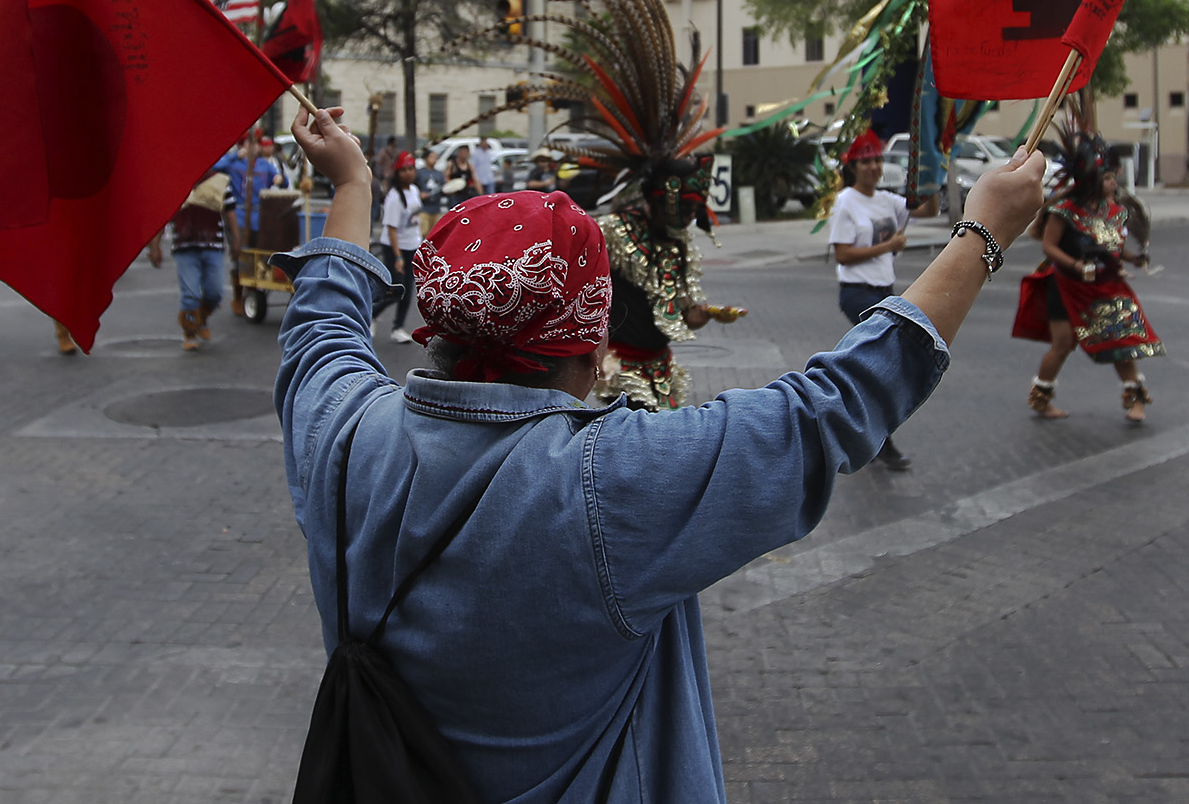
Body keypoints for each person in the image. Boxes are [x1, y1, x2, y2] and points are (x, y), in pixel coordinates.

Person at [276, 103, 1044, 803]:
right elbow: (829, 409)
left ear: (435, 325)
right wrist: (982, 236)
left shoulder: (341, 437)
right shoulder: (609, 484)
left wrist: (350, 181)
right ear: (589, 346)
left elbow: (322, 327)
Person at [1015, 133, 1161, 423]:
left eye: (1112, 176)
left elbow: (1112, 250)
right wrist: (1077, 266)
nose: (1112, 182)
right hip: (1066, 284)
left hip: (1107, 286)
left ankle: (1136, 400)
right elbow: (1049, 247)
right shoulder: (1064, 210)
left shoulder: (1115, 211)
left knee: (1122, 342)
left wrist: (1134, 257)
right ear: (1091, 178)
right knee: (1063, 343)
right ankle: (1041, 398)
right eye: (1106, 177)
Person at [827, 129, 935, 472]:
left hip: (885, 292)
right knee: (885, 362)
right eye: (866, 161)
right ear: (853, 168)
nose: (873, 167)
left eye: (877, 160)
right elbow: (843, 255)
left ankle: (856, 425)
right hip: (858, 292)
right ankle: (880, 443)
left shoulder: (887, 200)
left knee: (876, 364)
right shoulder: (846, 202)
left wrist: (931, 169)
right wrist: (887, 247)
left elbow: (929, 210)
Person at [172, 167, 230, 350]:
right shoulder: (176, 180)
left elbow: (230, 211)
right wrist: (155, 245)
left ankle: (201, 318)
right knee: (190, 295)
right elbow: (164, 212)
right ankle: (189, 332)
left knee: (215, 292)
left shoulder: (219, 181)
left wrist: (236, 240)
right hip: (184, 245)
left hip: (213, 244)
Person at [368, 151, 423, 344]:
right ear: (398, 173)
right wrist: (398, 257)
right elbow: (391, 229)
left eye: (411, 168)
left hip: (412, 246)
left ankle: (398, 327)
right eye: (405, 170)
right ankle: (371, 315)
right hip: (395, 247)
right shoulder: (393, 197)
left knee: (408, 290)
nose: (409, 173)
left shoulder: (414, 190)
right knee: (396, 289)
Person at [221, 132, 284, 252]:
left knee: (258, 254)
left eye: (256, 143)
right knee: (241, 254)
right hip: (238, 215)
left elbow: (280, 179)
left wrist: (280, 178)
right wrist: (235, 156)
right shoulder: (233, 163)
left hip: (259, 216)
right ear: (241, 145)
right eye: (250, 143)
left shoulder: (264, 165)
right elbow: (214, 167)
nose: (254, 146)